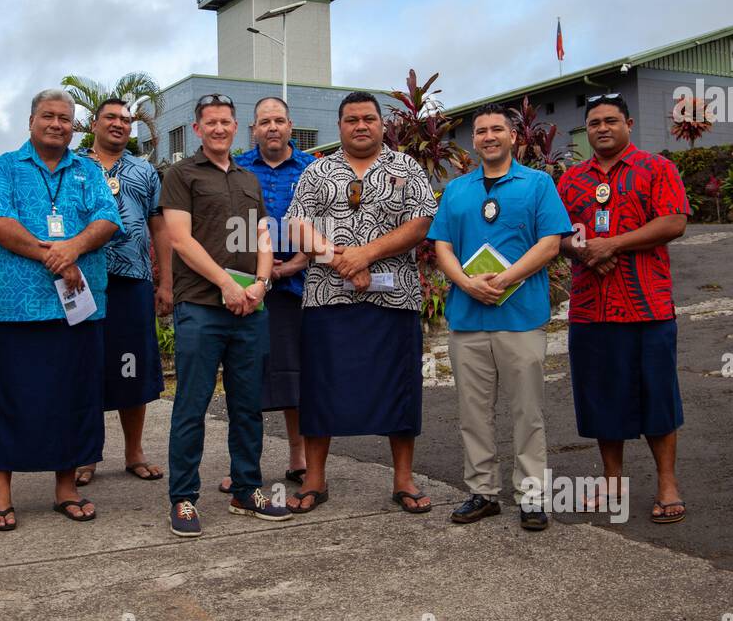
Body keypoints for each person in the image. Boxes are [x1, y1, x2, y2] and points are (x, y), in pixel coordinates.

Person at [0, 89, 122, 531]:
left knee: (72, 397)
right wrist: (51, 254)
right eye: (48, 116)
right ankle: (1, 490)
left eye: (65, 118)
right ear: (31, 120)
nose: (57, 124)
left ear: (75, 126)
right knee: (10, 398)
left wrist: (72, 247)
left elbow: (108, 219)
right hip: (15, 309)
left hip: (76, 311)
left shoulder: (87, 171)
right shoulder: (5, 167)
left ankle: (67, 487)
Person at [284, 91, 438, 515]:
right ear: (340, 126)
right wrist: (341, 260)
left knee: (398, 386)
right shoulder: (318, 171)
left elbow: (423, 221)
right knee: (321, 386)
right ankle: (315, 477)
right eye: (351, 119)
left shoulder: (405, 167)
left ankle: (403, 479)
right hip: (326, 297)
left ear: (381, 123)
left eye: (368, 118)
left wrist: (365, 254)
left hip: (395, 297)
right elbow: (297, 224)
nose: (361, 126)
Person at [428, 103, 573, 531]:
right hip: (468, 319)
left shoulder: (538, 184)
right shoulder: (456, 191)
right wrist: (469, 284)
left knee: (527, 412)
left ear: (514, 137)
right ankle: (482, 492)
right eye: (480, 131)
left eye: (496, 130)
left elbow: (551, 243)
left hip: (520, 317)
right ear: (473, 141)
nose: (488, 136)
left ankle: (531, 497)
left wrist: (505, 279)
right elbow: (442, 248)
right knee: (473, 413)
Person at [160, 93, 292, 537]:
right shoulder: (181, 174)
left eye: (226, 122)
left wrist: (259, 283)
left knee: (248, 405)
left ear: (238, 128)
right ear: (197, 129)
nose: (219, 129)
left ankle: (246, 488)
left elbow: (262, 234)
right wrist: (226, 284)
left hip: (249, 307)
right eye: (210, 123)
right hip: (200, 307)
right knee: (192, 406)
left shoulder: (249, 178)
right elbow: (180, 239)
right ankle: (183, 498)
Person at [557, 94, 690, 523]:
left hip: (646, 306)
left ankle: (667, 483)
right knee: (602, 398)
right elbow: (554, 235)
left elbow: (674, 221)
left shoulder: (657, 168)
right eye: (594, 122)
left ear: (628, 123)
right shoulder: (571, 180)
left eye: (610, 120)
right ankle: (613, 484)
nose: (602, 128)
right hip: (591, 309)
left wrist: (613, 243)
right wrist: (581, 251)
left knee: (658, 395)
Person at [218, 96, 315, 494]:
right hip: (245, 288)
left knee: (298, 377)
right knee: (246, 379)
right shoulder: (236, 169)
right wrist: (255, 274)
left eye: (279, 120)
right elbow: (224, 227)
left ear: (291, 126)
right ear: (253, 129)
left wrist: (292, 265)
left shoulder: (312, 169)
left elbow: (324, 224)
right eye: (264, 122)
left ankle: (300, 459)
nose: (272, 127)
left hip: (298, 286)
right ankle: (245, 467)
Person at [75, 98, 171, 486]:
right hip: (83, 280)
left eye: (126, 120)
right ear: (94, 123)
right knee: (85, 366)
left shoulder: (144, 170)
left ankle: (134, 452)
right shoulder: (74, 166)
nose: (119, 124)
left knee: (131, 366)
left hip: (133, 280)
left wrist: (165, 281)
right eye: (111, 118)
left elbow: (159, 226)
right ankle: (85, 454)